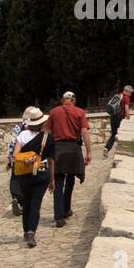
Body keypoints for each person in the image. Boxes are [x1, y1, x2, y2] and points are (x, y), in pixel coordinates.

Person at [47, 90, 91, 227]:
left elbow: (47, 132)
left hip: (58, 149)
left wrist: (44, 150)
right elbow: (84, 132)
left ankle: (59, 217)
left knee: (58, 182)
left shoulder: (53, 112)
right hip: (73, 149)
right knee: (70, 180)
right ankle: (66, 209)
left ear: (62, 100)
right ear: (74, 100)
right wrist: (89, 152)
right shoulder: (80, 112)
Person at [12, 108, 54, 248]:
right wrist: (52, 180)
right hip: (42, 173)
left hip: (25, 174)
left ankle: (26, 231)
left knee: (27, 203)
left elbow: (15, 155)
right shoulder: (47, 137)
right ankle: (31, 232)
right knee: (36, 204)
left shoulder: (23, 135)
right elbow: (51, 160)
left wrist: (25, 160)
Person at [5, 107, 32, 216]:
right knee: (29, 181)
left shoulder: (17, 127)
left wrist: (10, 159)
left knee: (16, 180)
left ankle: (18, 199)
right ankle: (26, 203)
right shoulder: (35, 128)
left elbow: (12, 144)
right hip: (30, 158)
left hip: (17, 158)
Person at [103, 84, 133, 156]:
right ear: (128, 92)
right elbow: (126, 108)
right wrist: (128, 116)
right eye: (131, 93)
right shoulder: (126, 98)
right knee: (116, 134)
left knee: (114, 133)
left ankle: (107, 148)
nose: (131, 94)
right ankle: (108, 148)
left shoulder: (118, 95)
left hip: (112, 116)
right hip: (118, 118)